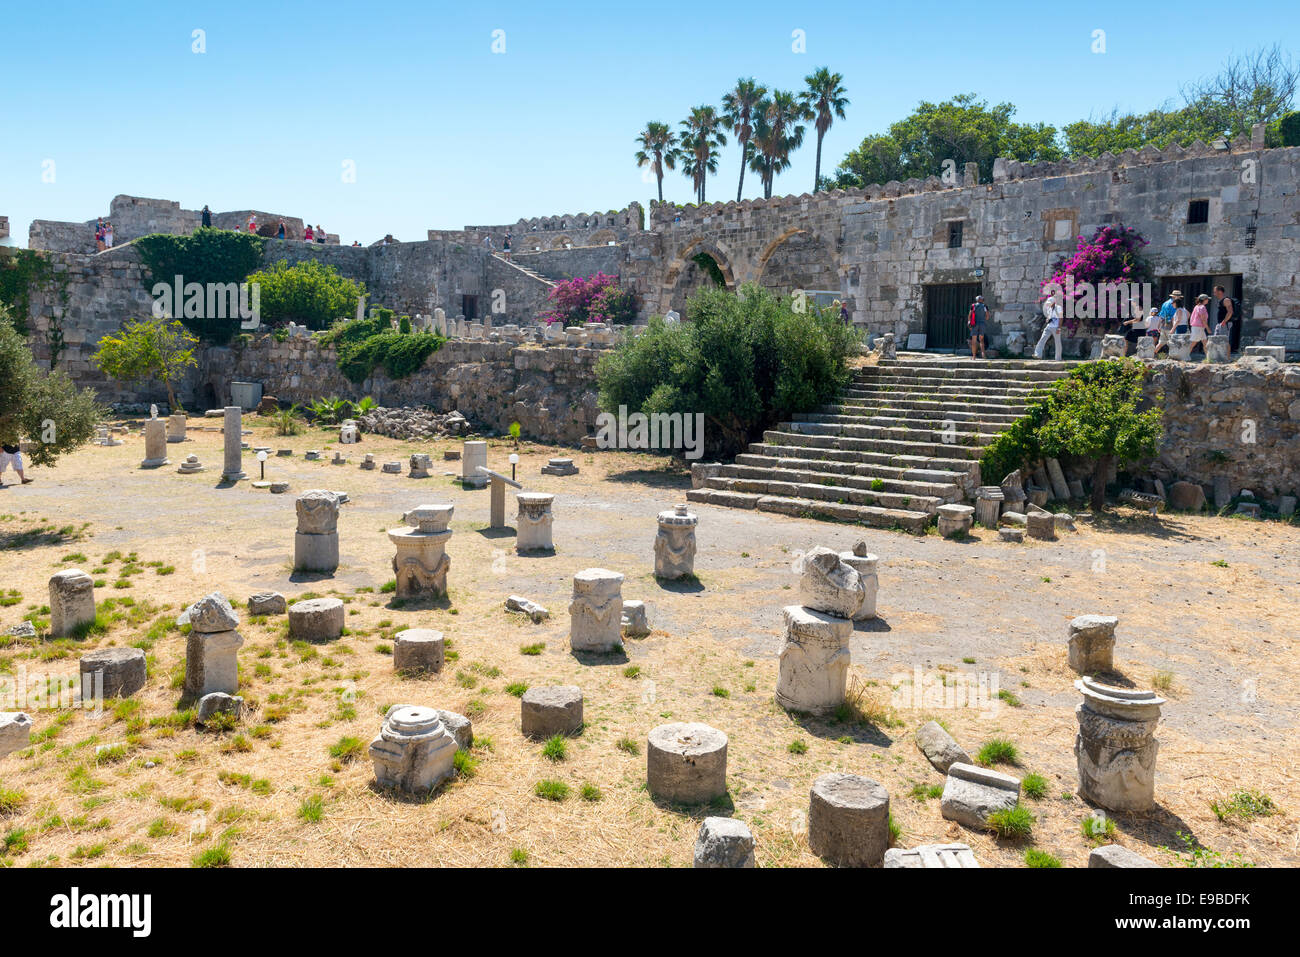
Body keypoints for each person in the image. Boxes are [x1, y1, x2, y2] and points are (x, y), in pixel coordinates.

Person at [1034, 292, 1062, 360]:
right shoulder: (1049, 309)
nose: (1048, 304)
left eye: (1050, 303)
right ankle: (1038, 354)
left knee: (1057, 342)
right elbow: (1049, 317)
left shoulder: (1058, 308)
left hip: (1056, 327)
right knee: (1042, 339)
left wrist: (1059, 328)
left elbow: (1061, 318)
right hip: (1049, 326)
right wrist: (1047, 320)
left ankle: (1058, 358)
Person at [1214, 285, 1239, 353]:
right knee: (1217, 339)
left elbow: (1230, 312)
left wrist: (1224, 321)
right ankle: (1220, 356)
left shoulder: (1226, 300)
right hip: (1221, 323)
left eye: (1215, 291)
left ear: (1220, 291)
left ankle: (1226, 357)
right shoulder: (1221, 301)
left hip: (1225, 323)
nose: (1214, 293)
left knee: (1224, 341)